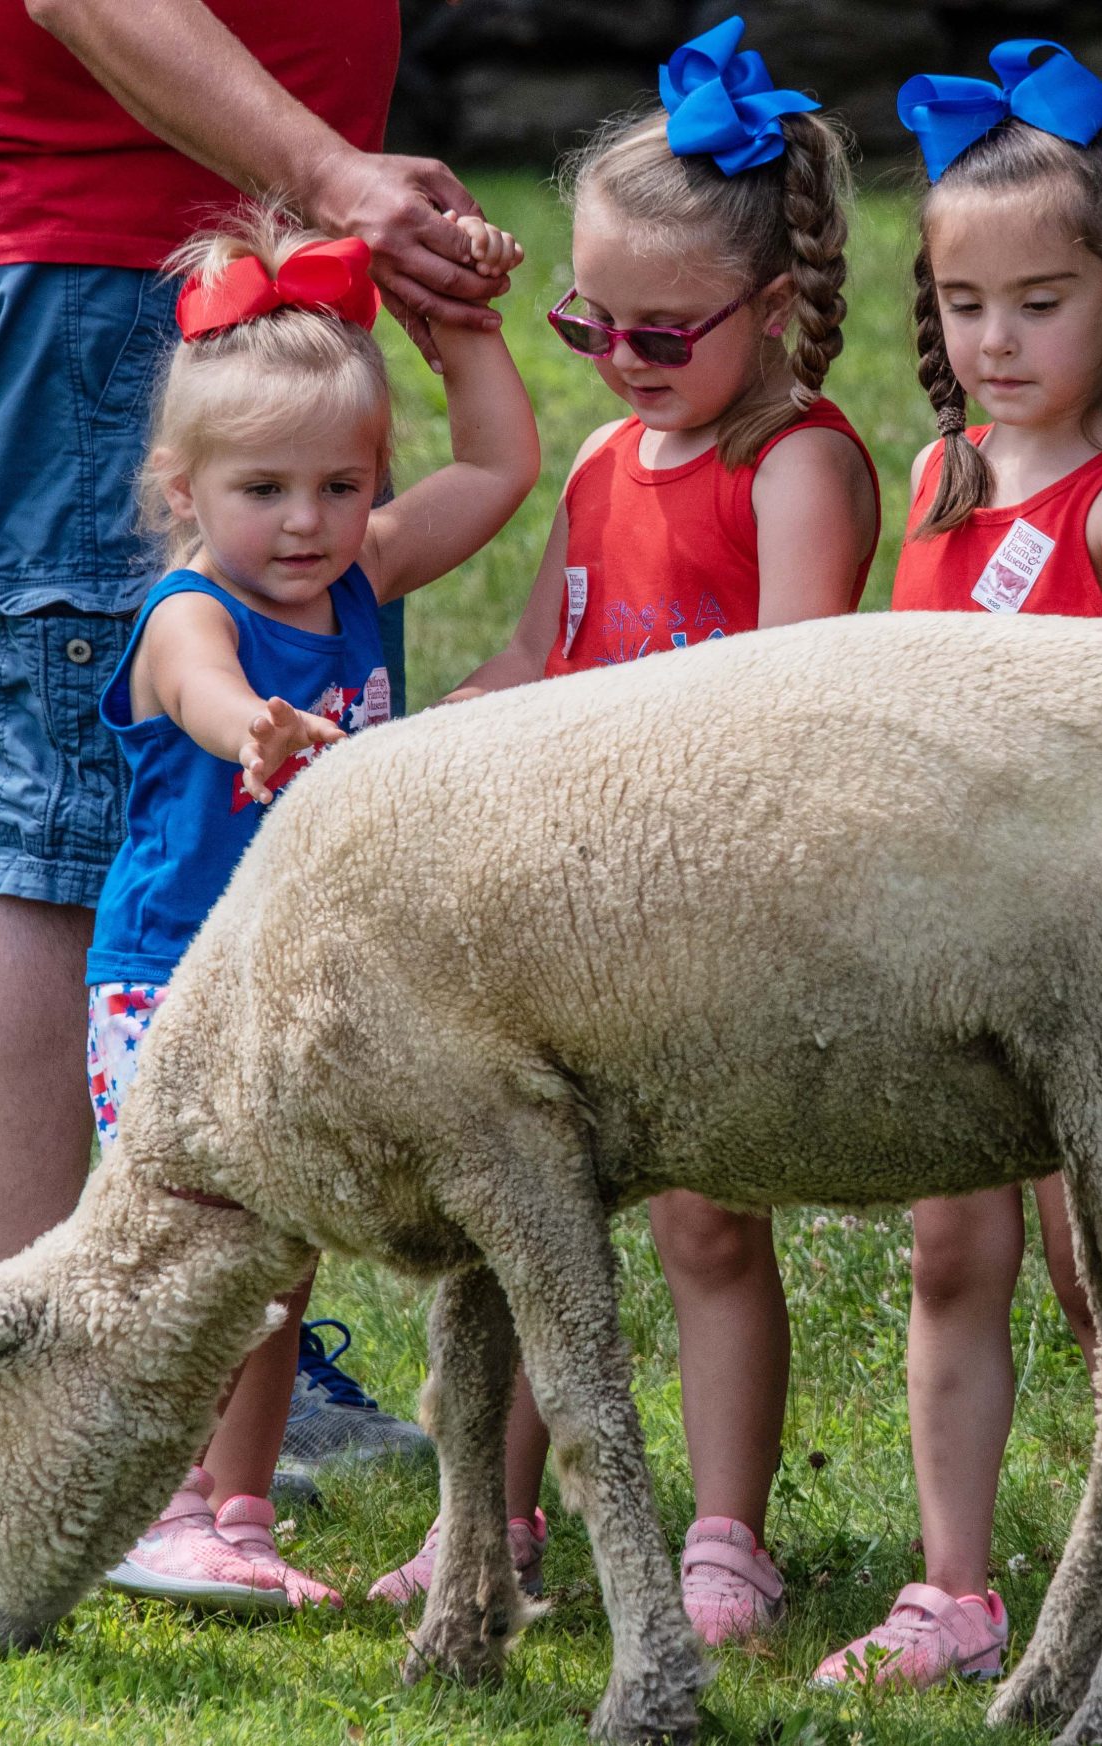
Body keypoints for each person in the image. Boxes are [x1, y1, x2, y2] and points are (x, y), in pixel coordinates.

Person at [0, 0, 498, 1501]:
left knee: (217, 827)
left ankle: (205, 1351)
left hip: (217, 248)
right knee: (71, 813)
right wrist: (330, 173)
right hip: (94, 250)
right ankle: (16, 1383)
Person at [363, 16, 877, 1647]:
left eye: (666, 331)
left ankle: (725, 1533)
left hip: (707, 902)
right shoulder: (597, 458)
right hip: (566, 909)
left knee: (712, 1221)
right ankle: (491, 1524)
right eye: (592, 321)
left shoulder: (798, 465)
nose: (625, 358)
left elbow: (787, 703)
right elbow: (534, 656)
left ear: (775, 310)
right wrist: (430, 746)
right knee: (524, 1224)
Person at [809, 41, 1102, 1691]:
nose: (997, 340)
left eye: (1039, 303)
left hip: (1091, 934)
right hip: (946, 936)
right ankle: (956, 1586)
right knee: (950, 1247)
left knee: (1095, 1261)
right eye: (966, 304)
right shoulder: (934, 478)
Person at [88, 204, 538, 1607]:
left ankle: (234, 1511)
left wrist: (462, 331)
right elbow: (210, 693)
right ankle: (155, 1497)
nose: (308, 522)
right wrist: (253, 734)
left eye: (342, 486)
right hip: (171, 986)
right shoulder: (190, 613)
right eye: (266, 490)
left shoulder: (359, 576)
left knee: (277, 1259)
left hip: (299, 984)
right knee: (194, 1257)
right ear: (184, 492)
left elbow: (500, 466)